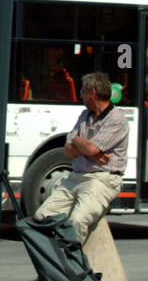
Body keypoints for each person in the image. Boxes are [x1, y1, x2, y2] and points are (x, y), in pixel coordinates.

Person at [33, 72, 129, 243]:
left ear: (92, 92)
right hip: (75, 176)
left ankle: (73, 263)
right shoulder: (85, 115)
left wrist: (77, 141)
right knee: (42, 216)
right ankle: (54, 257)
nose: (80, 95)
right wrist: (83, 147)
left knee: (77, 220)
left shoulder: (117, 119)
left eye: (83, 91)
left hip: (101, 180)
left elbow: (89, 147)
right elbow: (68, 150)